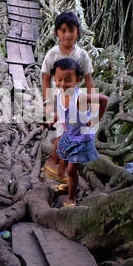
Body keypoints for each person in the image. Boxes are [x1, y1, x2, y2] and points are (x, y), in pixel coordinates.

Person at [40, 10, 94, 181]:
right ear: (57, 33)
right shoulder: (52, 55)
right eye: (63, 30)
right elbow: (46, 80)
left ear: (78, 32)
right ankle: (56, 167)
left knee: (72, 137)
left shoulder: (82, 55)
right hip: (59, 101)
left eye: (71, 30)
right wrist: (48, 105)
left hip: (77, 101)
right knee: (62, 136)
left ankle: (59, 170)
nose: (67, 35)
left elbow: (89, 80)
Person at [49, 57, 107, 207]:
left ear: (78, 80)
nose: (62, 84)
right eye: (59, 79)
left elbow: (104, 100)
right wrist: (53, 119)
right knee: (66, 161)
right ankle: (70, 184)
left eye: (67, 80)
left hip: (82, 139)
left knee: (71, 170)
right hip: (70, 135)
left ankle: (71, 198)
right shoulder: (59, 93)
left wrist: (94, 121)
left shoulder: (80, 97)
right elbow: (61, 111)